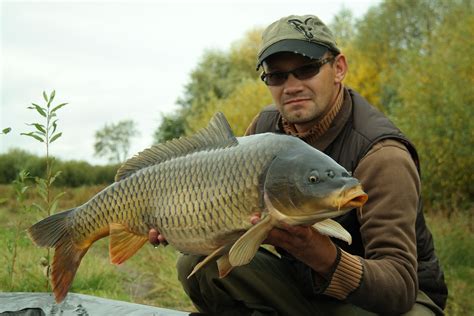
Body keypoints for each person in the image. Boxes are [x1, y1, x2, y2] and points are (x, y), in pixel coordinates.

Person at [149, 14, 447, 315]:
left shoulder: (381, 155)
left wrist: (320, 254)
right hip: (304, 283)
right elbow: (233, 220)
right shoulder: (266, 128)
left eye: (306, 69)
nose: (291, 86)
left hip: (394, 300)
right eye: (277, 76)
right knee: (197, 266)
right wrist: (182, 223)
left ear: (338, 69)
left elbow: (398, 288)